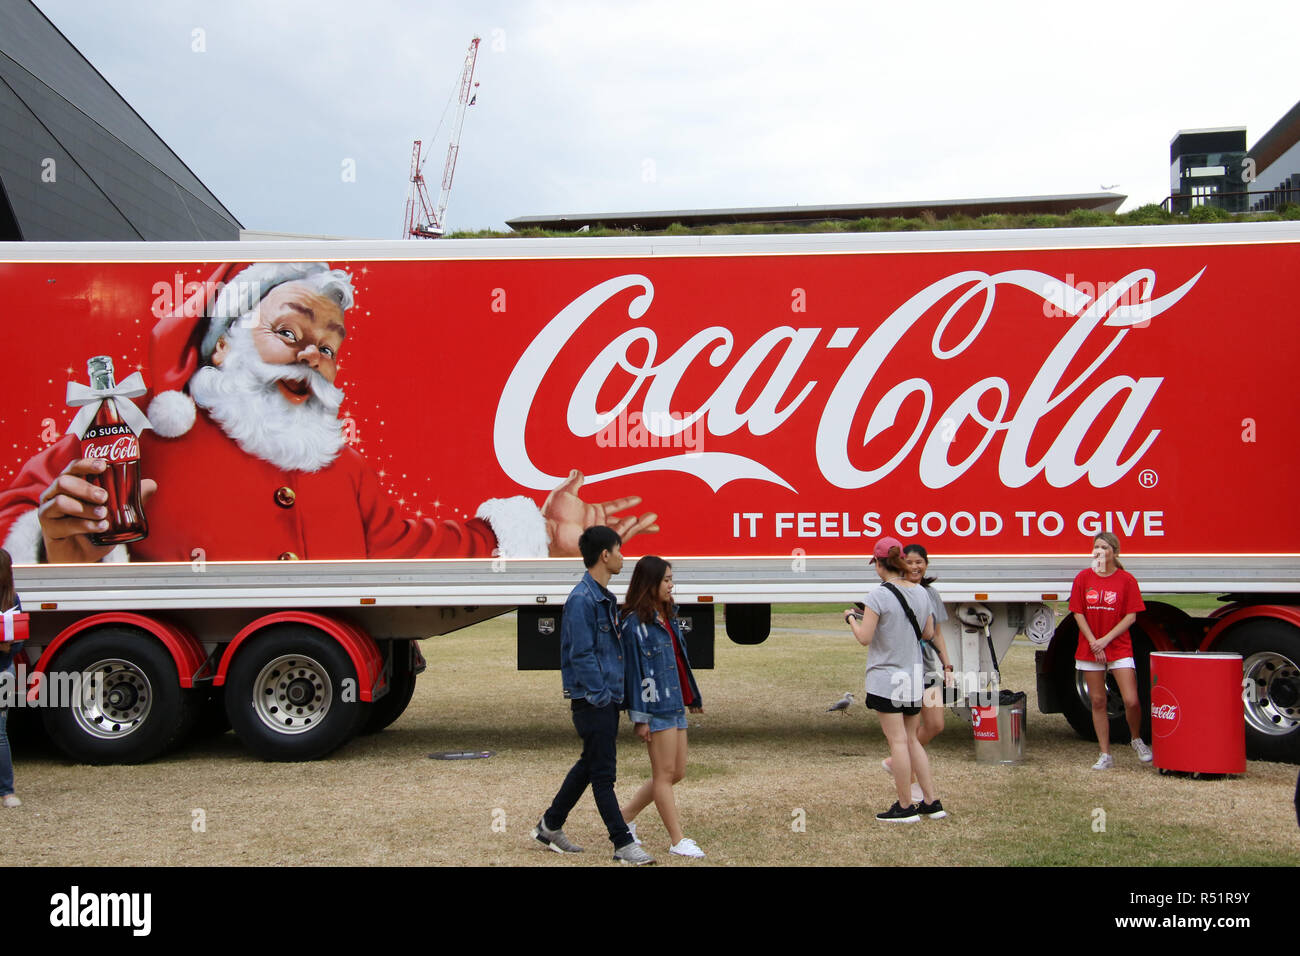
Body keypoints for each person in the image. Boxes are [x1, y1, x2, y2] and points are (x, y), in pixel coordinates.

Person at [0, 261, 659, 564]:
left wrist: (539, 535)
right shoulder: (142, 428)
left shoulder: (338, 471)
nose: (312, 356)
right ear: (224, 340)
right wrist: (63, 555)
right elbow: (22, 513)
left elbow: (419, 548)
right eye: (289, 333)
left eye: (327, 347)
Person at [532, 526, 655, 865]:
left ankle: (550, 825)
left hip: (605, 698)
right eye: (619, 550)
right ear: (604, 555)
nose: (622, 556)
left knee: (590, 763)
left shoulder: (605, 598)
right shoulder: (582, 600)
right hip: (593, 700)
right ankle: (623, 844)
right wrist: (601, 696)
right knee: (604, 775)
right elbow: (580, 654)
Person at [846, 536, 946, 822]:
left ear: (879, 563)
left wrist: (851, 619)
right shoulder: (920, 592)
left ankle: (904, 806)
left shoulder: (877, 595)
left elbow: (865, 638)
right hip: (914, 676)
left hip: (886, 676)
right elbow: (928, 633)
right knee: (913, 740)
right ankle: (931, 801)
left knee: (898, 742)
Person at [618, 556, 705, 859]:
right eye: (666, 580)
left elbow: (679, 661)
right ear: (650, 583)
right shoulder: (633, 625)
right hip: (655, 708)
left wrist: (692, 697)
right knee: (664, 774)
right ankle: (677, 840)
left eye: (671, 579)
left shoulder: (667, 615)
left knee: (675, 772)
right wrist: (640, 718)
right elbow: (636, 674)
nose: (671, 585)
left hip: (675, 702)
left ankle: (623, 817)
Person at [1070, 531, 1150, 769]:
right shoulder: (1083, 578)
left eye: (1104, 547)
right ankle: (1105, 754)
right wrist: (1094, 642)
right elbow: (1078, 612)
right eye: (1096, 547)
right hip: (1090, 648)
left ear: (1114, 552)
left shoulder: (1126, 580)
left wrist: (1104, 640)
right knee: (1097, 701)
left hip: (1117, 646)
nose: (1099, 551)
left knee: (1131, 700)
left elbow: (1131, 617)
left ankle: (1136, 739)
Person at [881, 543, 954, 804]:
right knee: (907, 734)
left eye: (919, 562)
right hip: (905, 671)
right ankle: (908, 778)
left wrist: (947, 665)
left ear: (926, 564)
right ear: (901, 564)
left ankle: (896, 762)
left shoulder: (930, 593)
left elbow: (936, 634)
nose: (915, 566)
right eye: (910, 562)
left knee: (935, 724)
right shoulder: (894, 591)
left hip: (928, 669)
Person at [0, 548, 22, 808]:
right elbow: (15, 645)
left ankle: (7, 791)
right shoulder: (12, 599)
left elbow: (17, 643)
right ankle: (7, 793)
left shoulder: (13, 600)